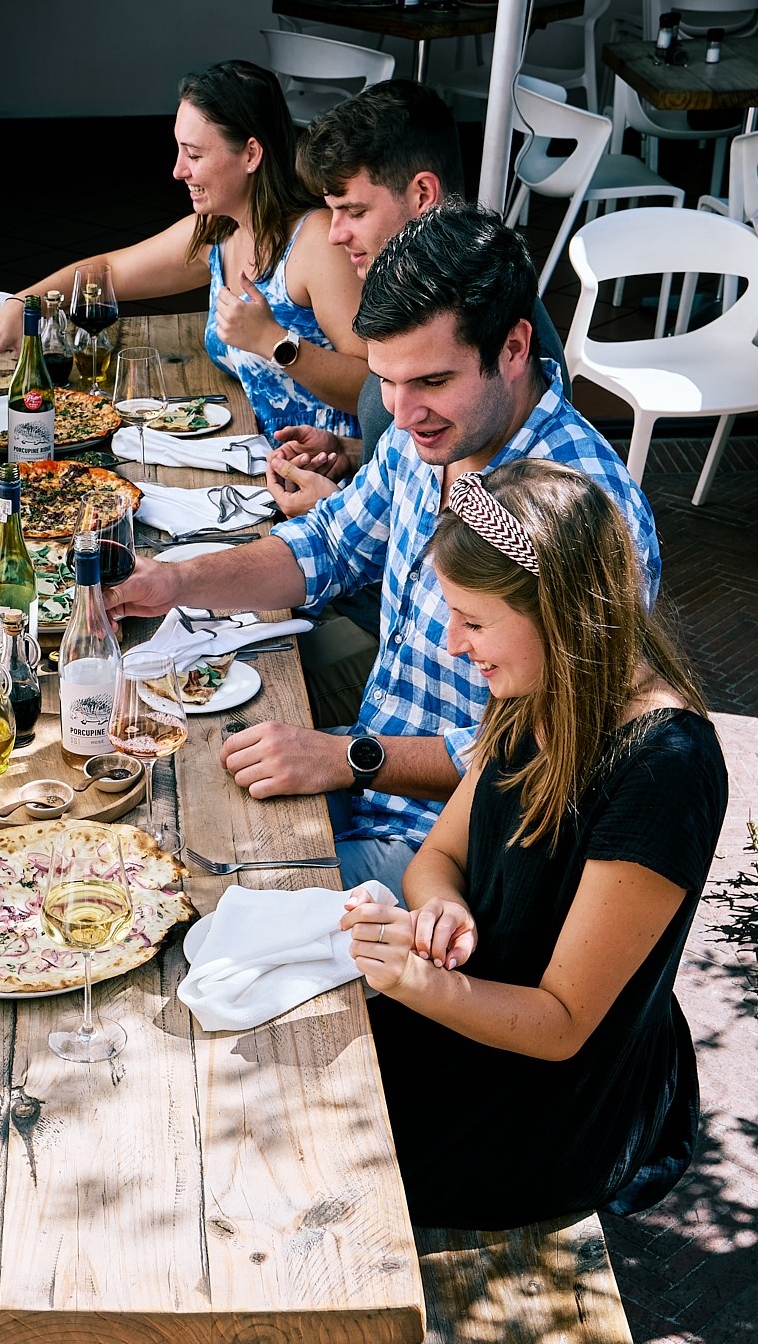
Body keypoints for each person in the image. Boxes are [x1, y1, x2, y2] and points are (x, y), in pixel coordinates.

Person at [106, 203, 660, 901]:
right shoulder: (427, 431)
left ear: (514, 348)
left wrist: (345, 756)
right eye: (385, 379)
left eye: (429, 381)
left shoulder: (580, 507)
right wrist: (173, 582)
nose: (397, 413)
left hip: (461, 861)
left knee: (196, 905)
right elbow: (329, 544)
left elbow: (551, 750)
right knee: (161, 815)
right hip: (367, 785)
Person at [340, 460, 726, 1228]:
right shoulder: (528, 694)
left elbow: (561, 1023)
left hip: (553, 1102)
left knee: (330, 1166)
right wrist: (443, 911)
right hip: (470, 1009)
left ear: (560, 614)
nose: (453, 643)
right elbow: (435, 860)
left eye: (472, 621)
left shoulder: (664, 771)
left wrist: (417, 984)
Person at [269, 81, 570, 727]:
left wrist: (353, 759)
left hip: (400, 665)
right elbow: (382, 495)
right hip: (384, 660)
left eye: (350, 210)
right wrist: (350, 453)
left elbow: (518, 733)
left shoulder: (514, 394)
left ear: (423, 196)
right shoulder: (410, 339)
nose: (333, 234)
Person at [0, 60, 369, 437]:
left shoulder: (317, 240)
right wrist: (23, 304)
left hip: (327, 473)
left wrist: (274, 341)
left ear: (251, 154)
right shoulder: (218, 233)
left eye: (194, 154)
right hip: (250, 450)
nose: (179, 170)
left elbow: (374, 391)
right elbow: (106, 271)